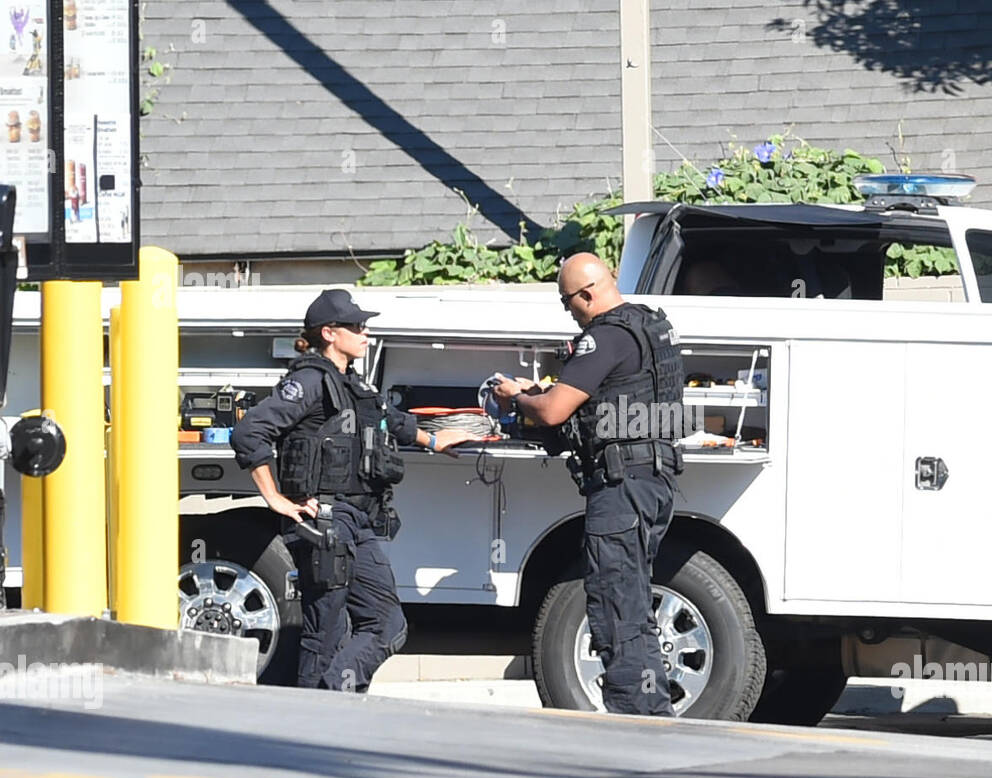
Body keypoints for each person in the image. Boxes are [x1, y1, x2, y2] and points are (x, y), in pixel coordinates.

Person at [231, 289, 473, 691]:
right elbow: (249, 432)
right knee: (324, 630)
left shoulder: (350, 384)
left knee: (387, 623)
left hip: (356, 521)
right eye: (357, 326)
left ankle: (334, 698)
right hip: (324, 521)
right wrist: (274, 498)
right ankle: (315, 716)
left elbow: (388, 419)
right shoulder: (309, 381)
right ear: (329, 332)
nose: (365, 334)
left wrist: (436, 440)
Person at [491, 253, 685, 716]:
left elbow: (556, 411)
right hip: (653, 482)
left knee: (616, 607)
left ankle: (637, 720)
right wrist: (541, 390)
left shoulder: (606, 336)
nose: (568, 312)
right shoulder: (651, 327)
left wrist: (518, 396)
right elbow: (615, 396)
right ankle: (652, 710)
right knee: (634, 604)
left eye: (567, 302)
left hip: (621, 487)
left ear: (587, 293)